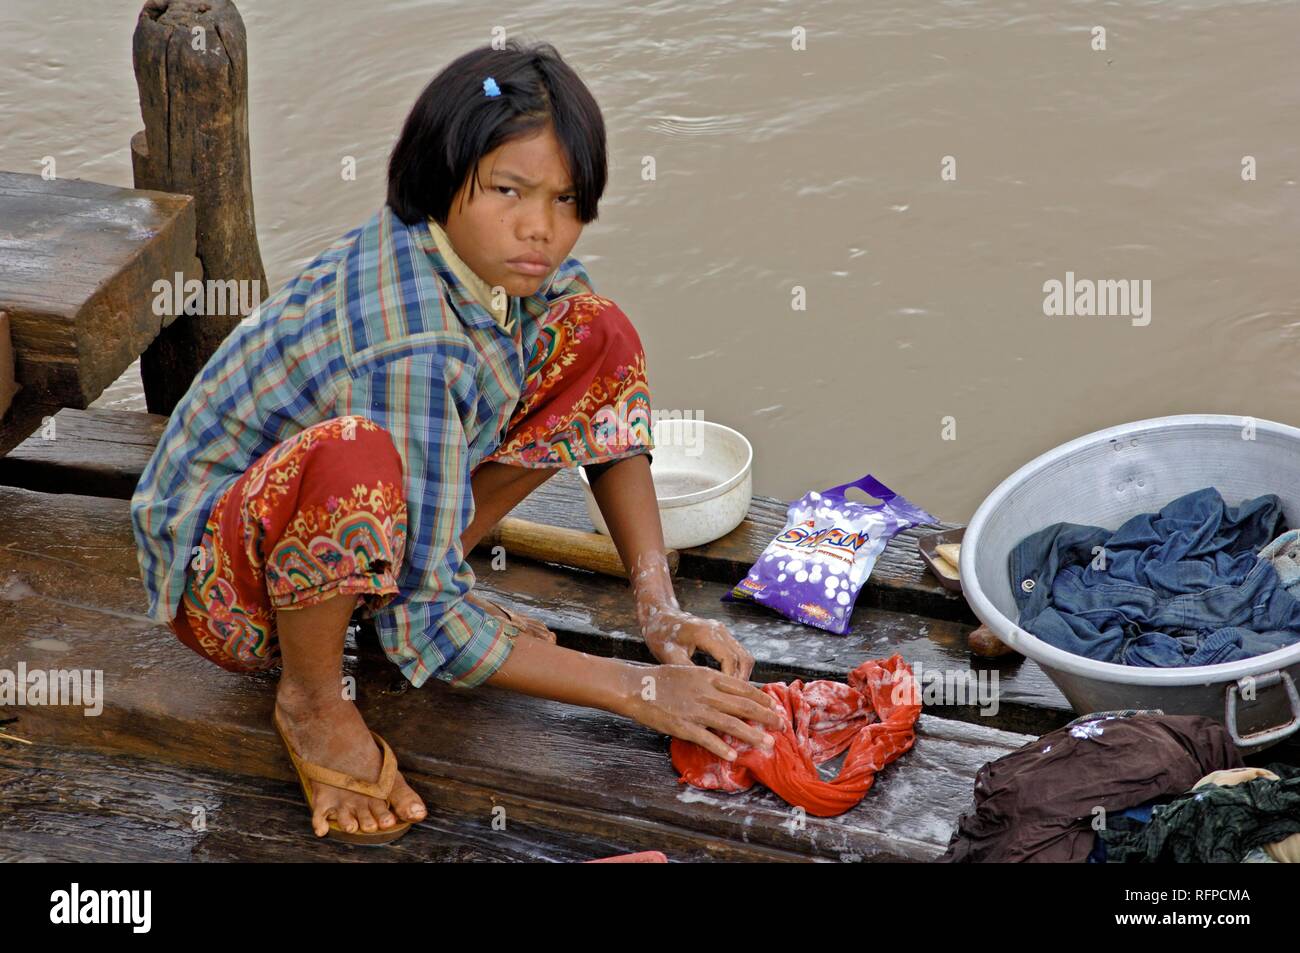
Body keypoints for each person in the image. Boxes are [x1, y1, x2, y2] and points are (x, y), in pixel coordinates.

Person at [130, 40, 783, 843]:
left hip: (351, 533)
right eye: (509, 191)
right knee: (354, 458)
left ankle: (407, 574)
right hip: (227, 584)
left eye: (567, 201)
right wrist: (642, 691)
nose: (540, 228)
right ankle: (313, 700)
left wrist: (659, 610)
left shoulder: (493, 269)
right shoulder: (410, 343)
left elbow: (602, 371)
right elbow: (422, 625)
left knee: (597, 332)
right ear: (442, 179)